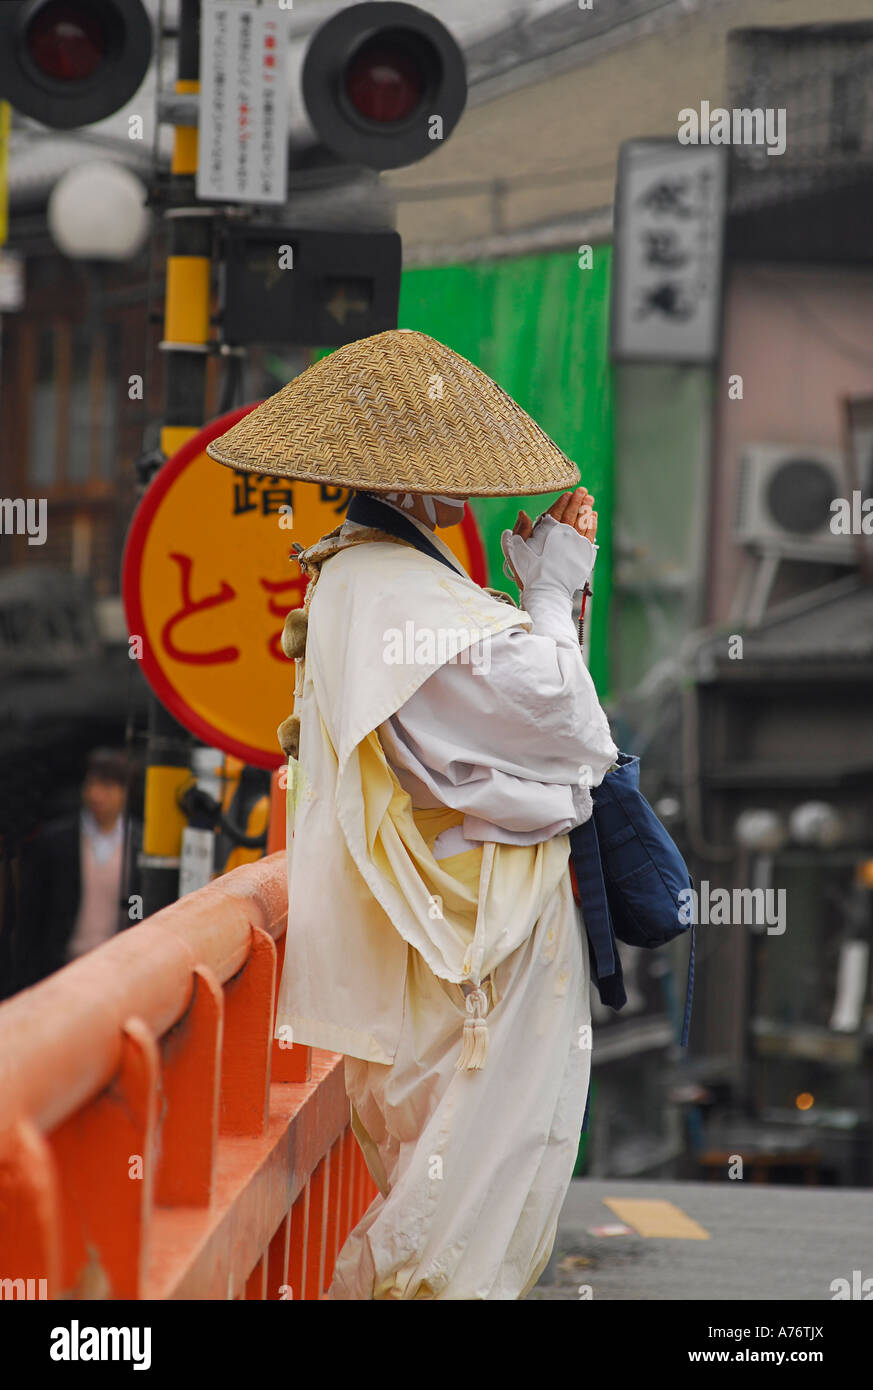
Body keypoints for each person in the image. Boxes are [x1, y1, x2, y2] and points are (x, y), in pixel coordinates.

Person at [206, 328, 619, 1300]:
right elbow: (572, 722)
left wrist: (539, 595)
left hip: (441, 933)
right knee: (459, 1219)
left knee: (449, 1184)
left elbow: (542, 732)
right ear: (438, 494)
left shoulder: (368, 580)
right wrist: (551, 591)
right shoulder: (397, 590)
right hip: (472, 941)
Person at [14, 747, 140, 989]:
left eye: (107, 787)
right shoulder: (57, 841)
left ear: (125, 792)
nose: (97, 795)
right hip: (60, 966)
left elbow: (137, 901)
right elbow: (33, 911)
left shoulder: (137, 845)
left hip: (117, 968)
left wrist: (134, 932)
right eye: (92, 785)